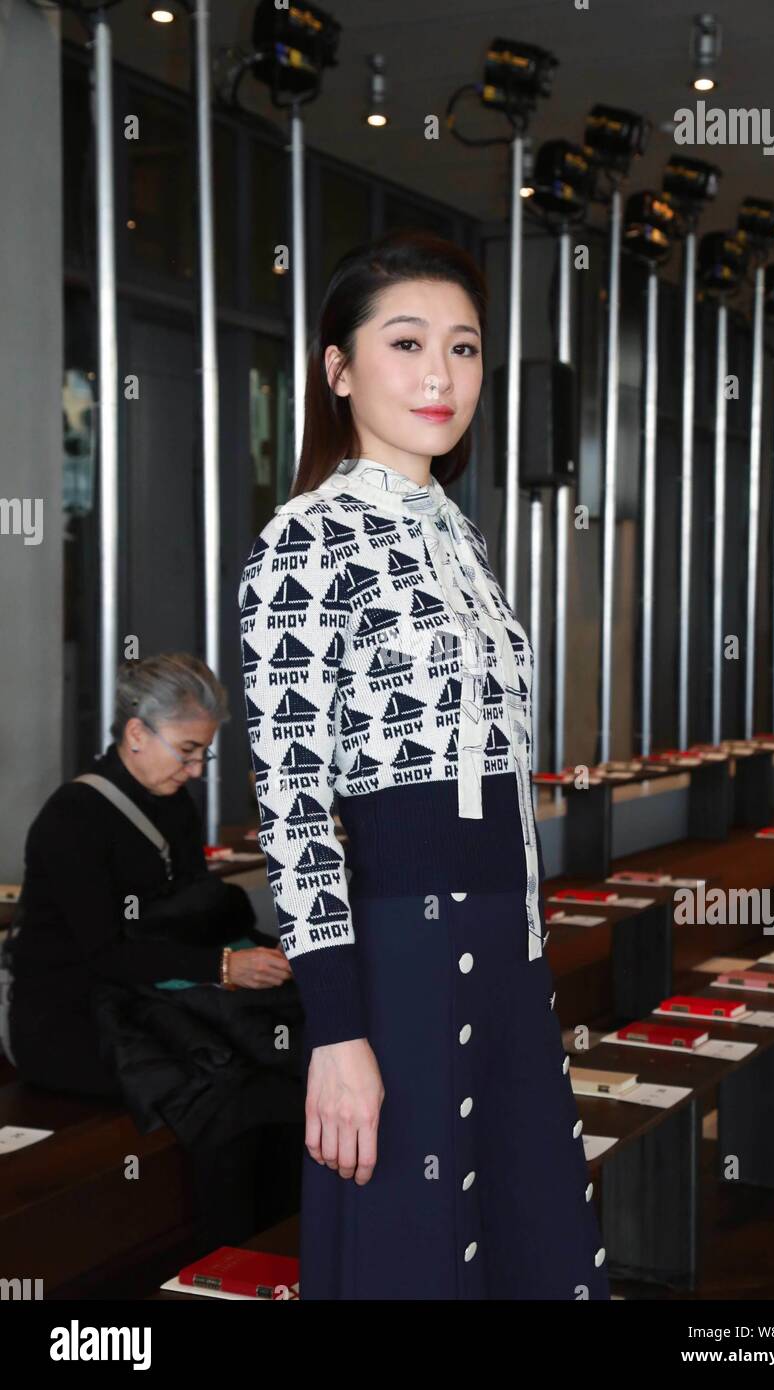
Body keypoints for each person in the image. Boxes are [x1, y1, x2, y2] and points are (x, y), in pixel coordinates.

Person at [238, 229, 609, 1299]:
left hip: (501, 939)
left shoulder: (461, 534)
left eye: (464, 346)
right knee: (417, 1254)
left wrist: (528, 950)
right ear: (338, 368)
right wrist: (337, 1029)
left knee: (530, 1241)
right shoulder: (306, 539)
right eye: (406, 343)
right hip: (400, 943)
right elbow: (294, 805)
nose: (441, 374)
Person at [7, 652, 305, 1252]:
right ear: (137, 733)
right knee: (223, 1092)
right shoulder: (73, 818)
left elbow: (189, 916)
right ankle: (218, 1267)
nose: (196, 769)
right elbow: (104, 954)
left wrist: (258, 956)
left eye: (203, 753)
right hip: (70, 1020)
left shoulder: (173, 804)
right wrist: (223, 967)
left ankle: (280, 1257)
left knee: (282, 1073)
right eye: (187, 751)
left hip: (150, 1001)